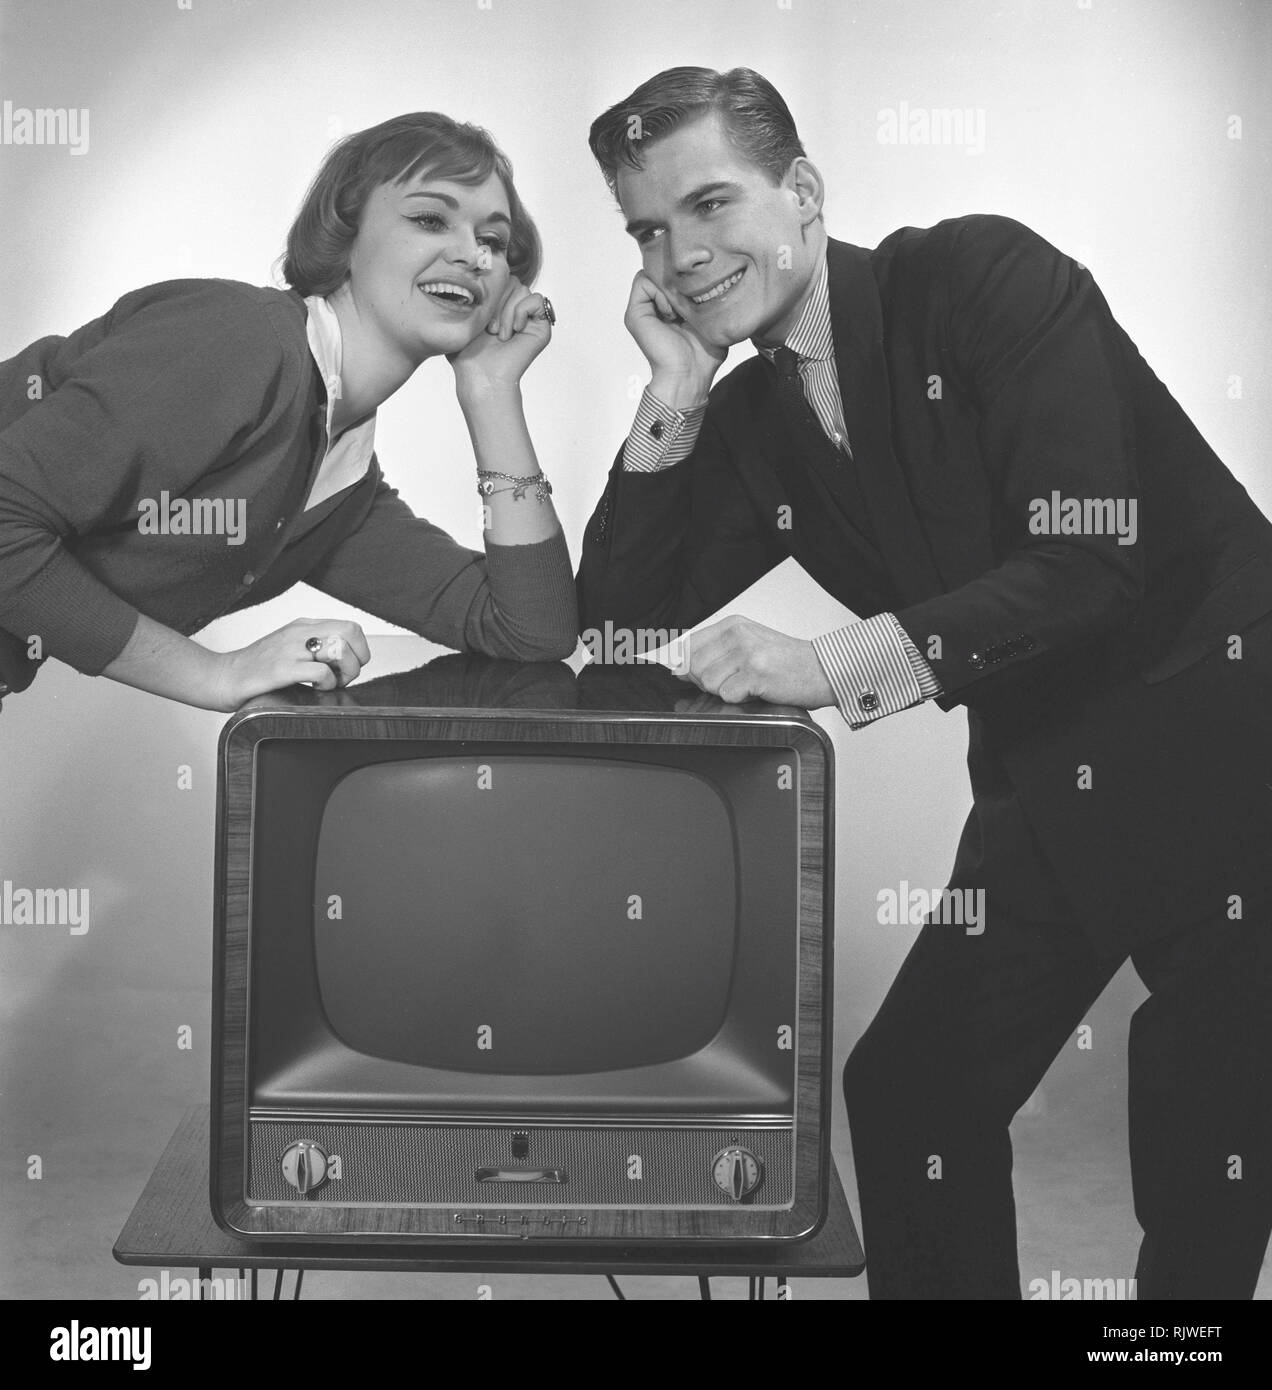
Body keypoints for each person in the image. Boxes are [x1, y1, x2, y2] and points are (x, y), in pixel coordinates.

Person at [576, 66, 1272, 1299]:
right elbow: (618, 623)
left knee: (1206, 1135)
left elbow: (1086, 563)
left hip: (1228, 740)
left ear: (801, 188)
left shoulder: (986, 278)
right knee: (914, 1091)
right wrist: (673, 396)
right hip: (1054, 776)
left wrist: (820, 666)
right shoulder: (747, 418)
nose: (680, 255)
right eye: (647, 228)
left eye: (710, 205)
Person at [0, 112, 577, 713]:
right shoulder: (239, 340)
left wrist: (490, 389)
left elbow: (532, 632)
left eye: (495, 242)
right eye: (431, 219)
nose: (473, 256)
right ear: (346, 235)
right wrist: (214, 676)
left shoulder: (337, 490)